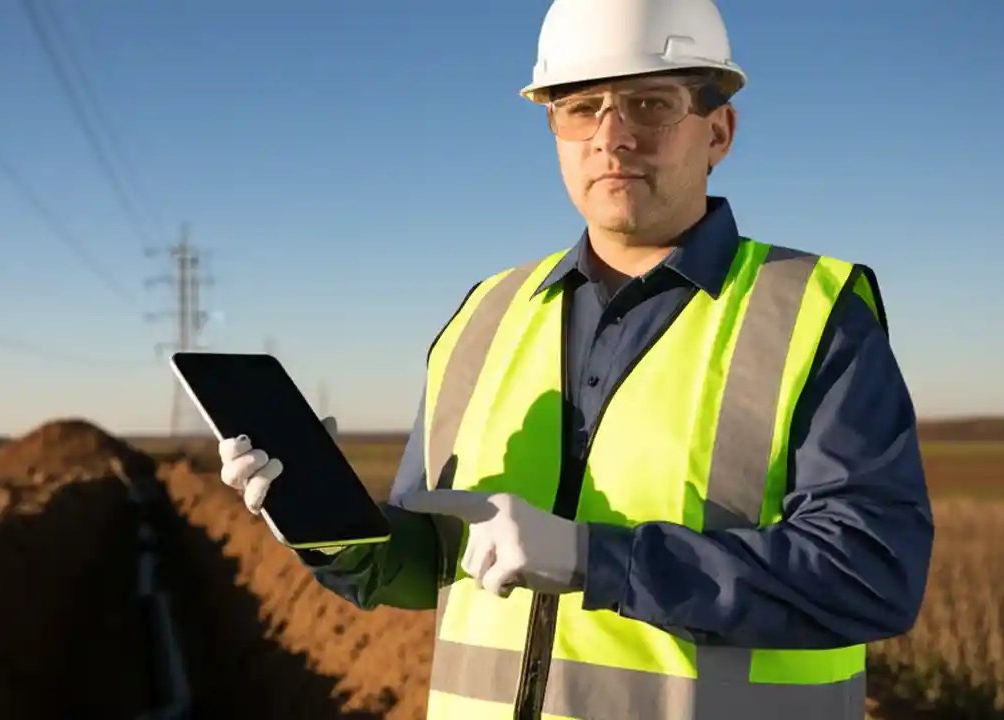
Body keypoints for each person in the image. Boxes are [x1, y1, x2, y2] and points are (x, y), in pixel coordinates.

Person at [216, 0, 934, 717]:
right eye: (581, 108)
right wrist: (327, 524)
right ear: (554, 130)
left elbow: (872, 572)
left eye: (650, 105)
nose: (612, 138)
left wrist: (595, 558)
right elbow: (427, 566)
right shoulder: (484, 316)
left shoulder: (810, 312)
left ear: (719, 130)